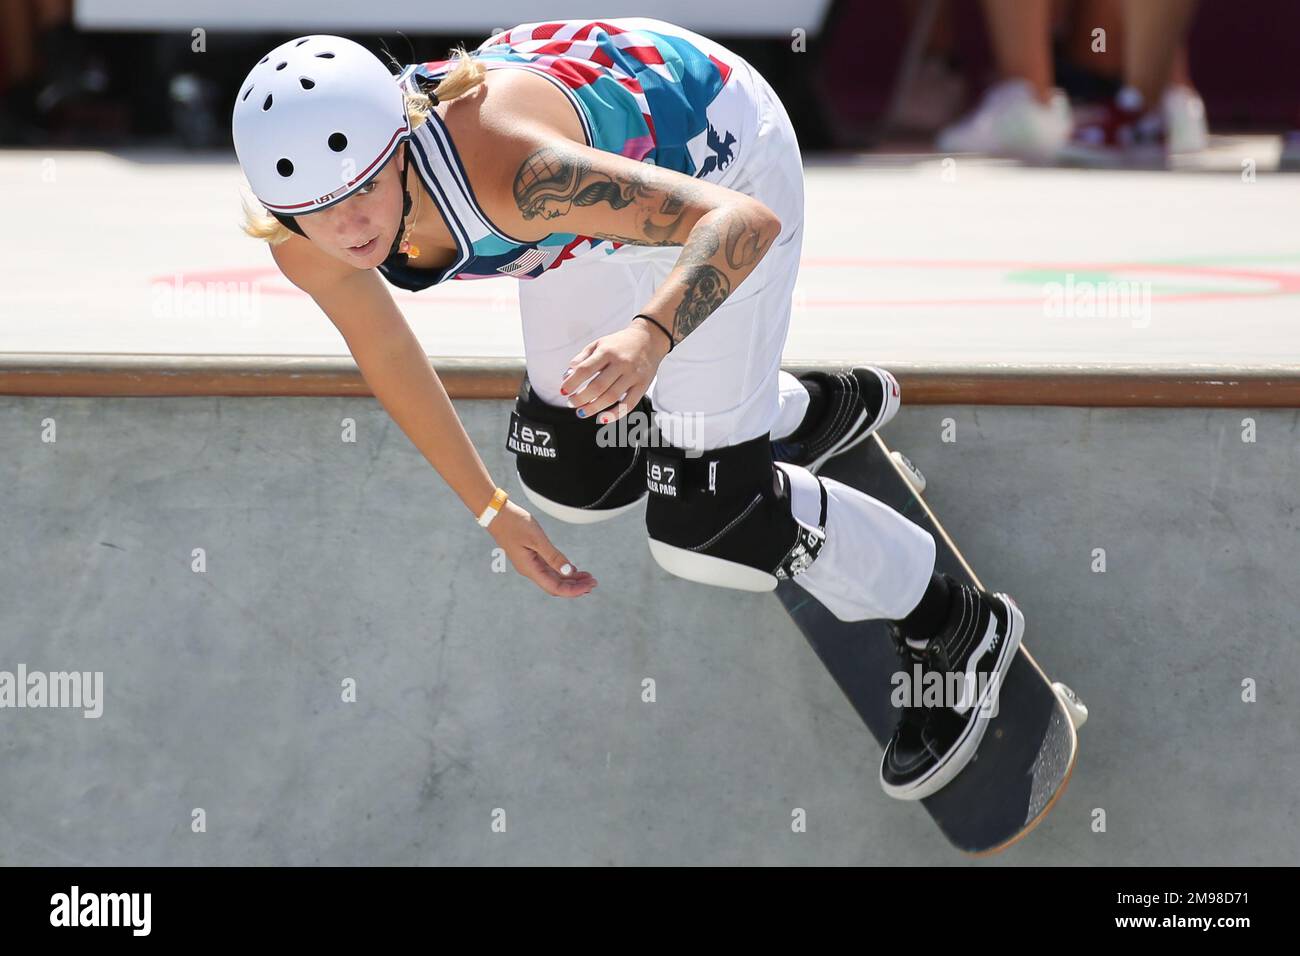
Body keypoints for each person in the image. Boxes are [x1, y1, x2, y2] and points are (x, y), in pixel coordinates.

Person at [231, 18, 1025, 801]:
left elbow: (739, 224)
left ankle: (951, 622)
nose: (350, 227)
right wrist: (490, 510)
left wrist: (650, 336)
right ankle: (783, 412)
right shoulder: (303, 236)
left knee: (707, 527)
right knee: (568, 473)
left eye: (366, 187)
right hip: (598, 206)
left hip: (722, 158)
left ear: (402, 142)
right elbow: (389, 353)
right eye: (318, 211)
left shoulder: (518, 178)